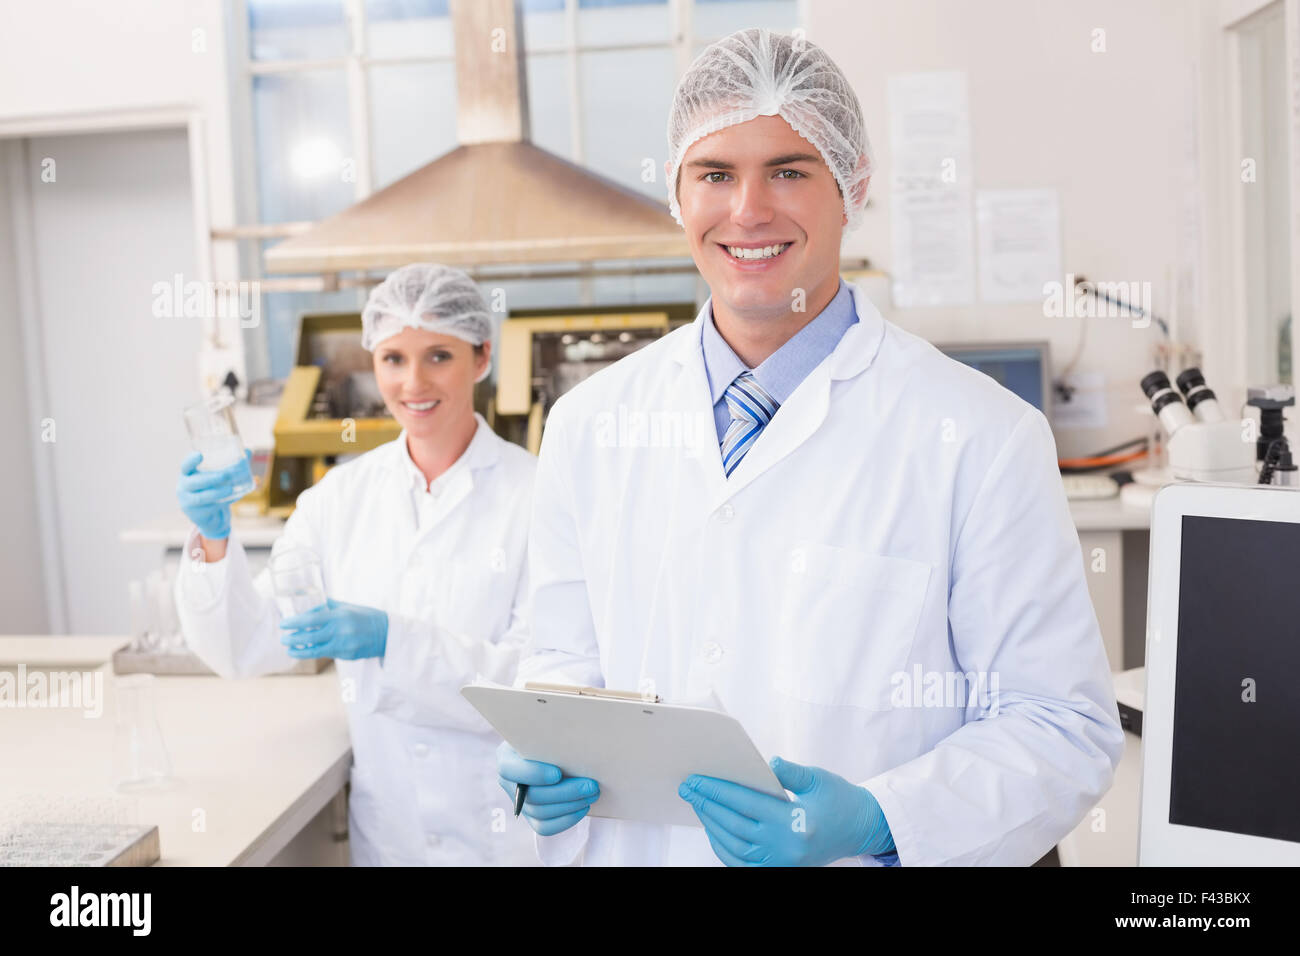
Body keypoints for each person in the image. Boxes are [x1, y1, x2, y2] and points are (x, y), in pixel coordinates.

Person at [499, 28, 1123, 866]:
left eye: (789, 171)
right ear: (679, 196)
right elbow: (563, 660)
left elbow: (1061, 725)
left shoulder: (980, 437)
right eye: (715, 174)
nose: (748, 211)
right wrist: (544, 749)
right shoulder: (588, 425)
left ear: (852, 186)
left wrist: (884, 818)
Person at [175, 263, 537, 866]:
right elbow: (247, 645)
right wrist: (214, 540)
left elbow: (537, 689)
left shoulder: (537, 496)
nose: (413, 382)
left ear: (481, 358)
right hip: (391, 840)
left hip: (507, 842)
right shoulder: (339, 501)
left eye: (438, 356)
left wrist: (391, 639)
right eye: (393, 358)